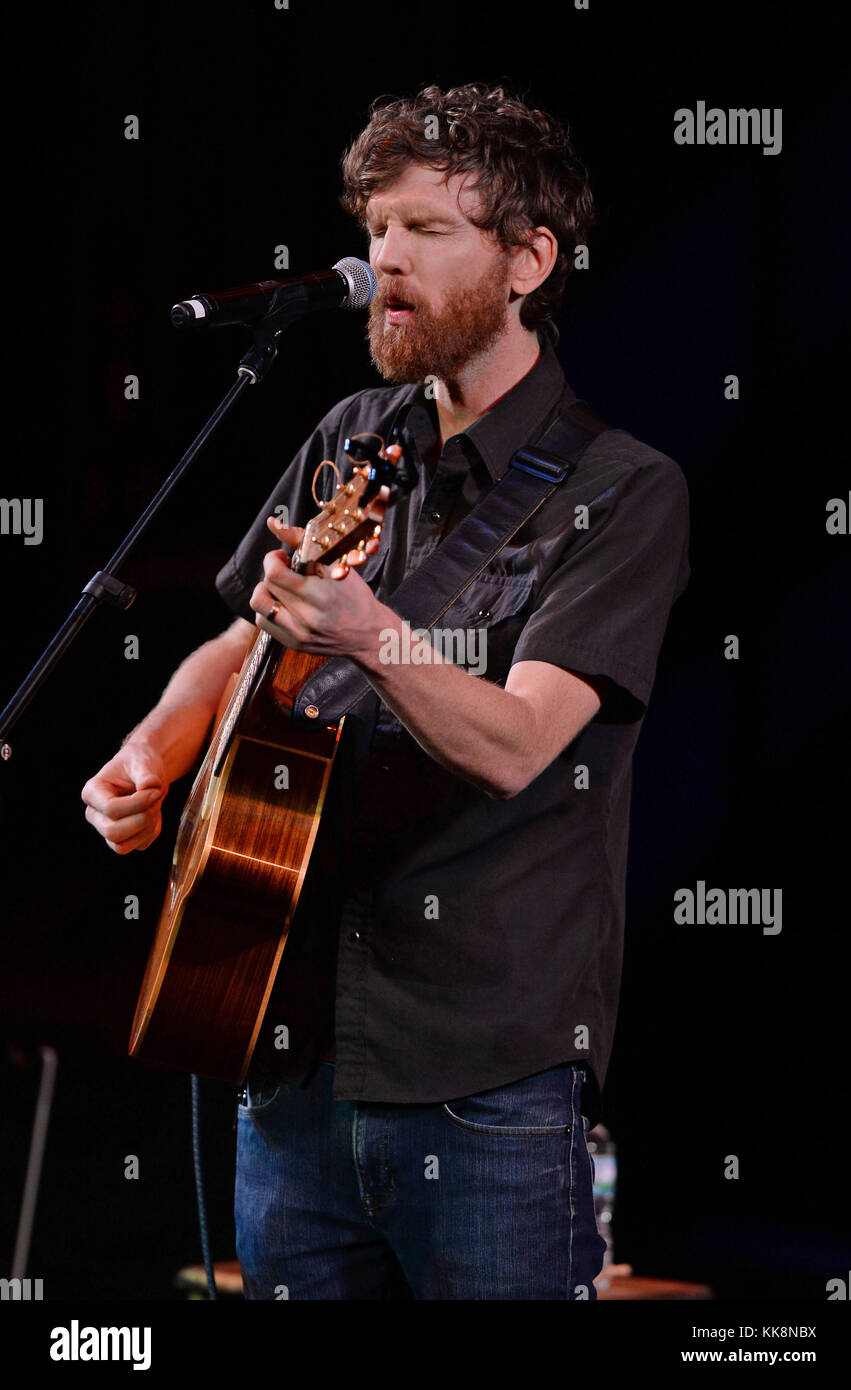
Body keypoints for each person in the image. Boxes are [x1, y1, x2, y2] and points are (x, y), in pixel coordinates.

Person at [81, 83, 690, 1300]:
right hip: (292, 1059)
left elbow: (520, 742)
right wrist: (152, 751)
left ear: (527, 260)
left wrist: (368, 633)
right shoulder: (354, 432)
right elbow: (246, 638)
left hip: (484, 1095)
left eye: (424, 230)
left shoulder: (621, 491)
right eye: (374, 232)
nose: (383, 261)